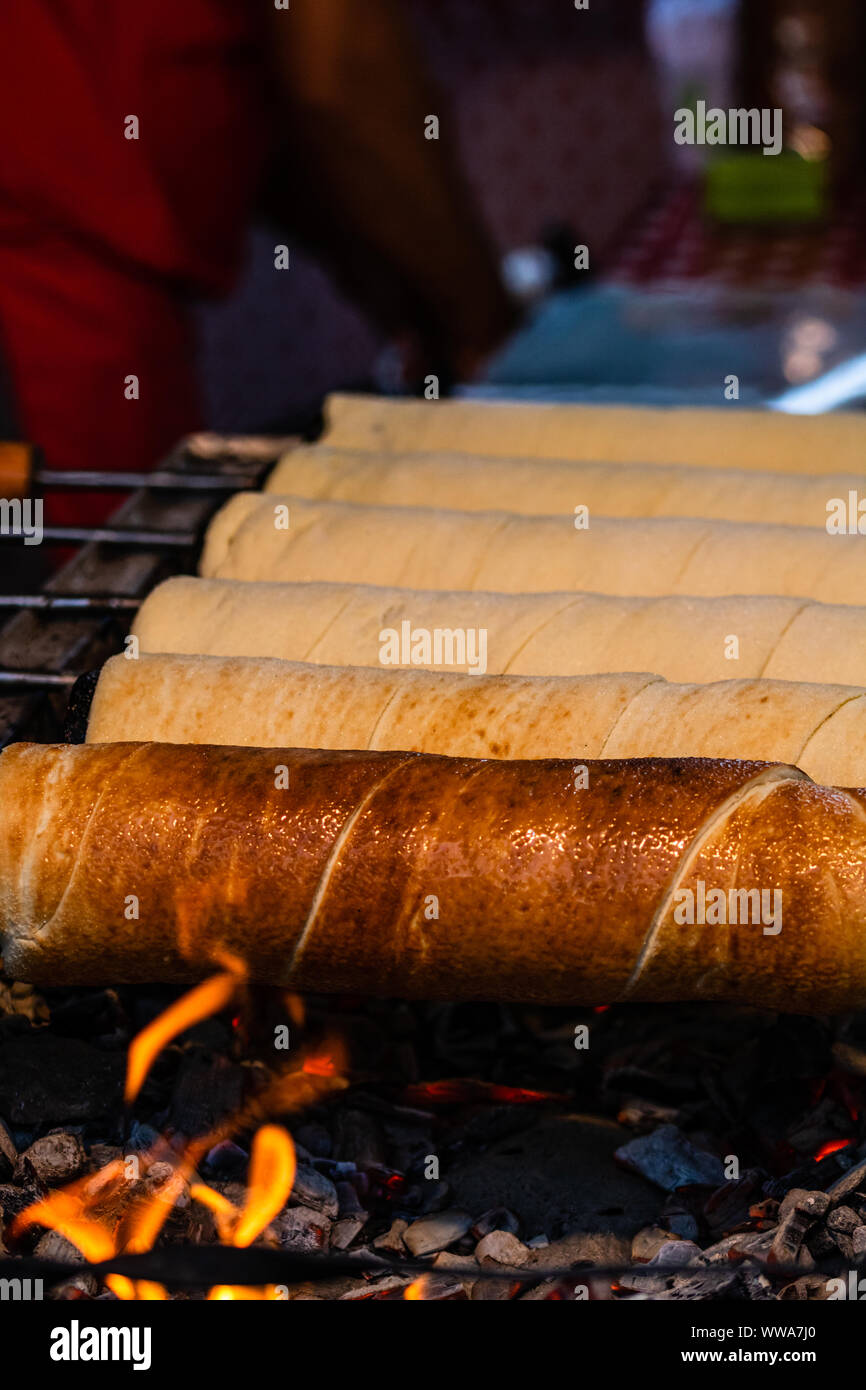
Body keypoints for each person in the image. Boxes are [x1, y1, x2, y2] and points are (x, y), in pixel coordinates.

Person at [0, 0, 515, 525]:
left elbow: (305, 127)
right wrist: (491, 331)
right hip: (47, 282)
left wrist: (414, 302)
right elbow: (342, 79)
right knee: (87, 564)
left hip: (81, 267)